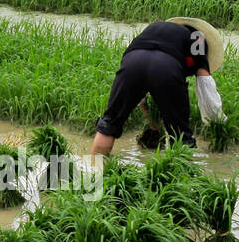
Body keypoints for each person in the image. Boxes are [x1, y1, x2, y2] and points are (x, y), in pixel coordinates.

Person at [91, 17, 225, 157]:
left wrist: (149, 118)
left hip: (131, 63)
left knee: (109, 124)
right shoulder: (198, 38)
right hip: (167, 66)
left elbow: (138, 82)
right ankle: (184, 176)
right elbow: (205, 82)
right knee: (180, 136)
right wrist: (216, 119)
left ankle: (95, 174)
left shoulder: (155, 28)